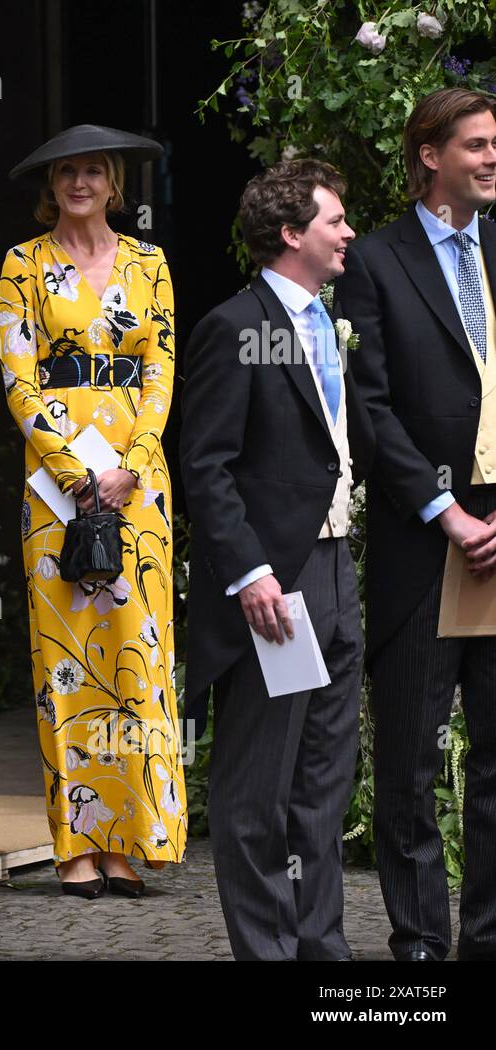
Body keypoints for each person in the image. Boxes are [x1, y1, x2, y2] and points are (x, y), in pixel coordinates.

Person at [181, 159, 374, 960]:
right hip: (277, 589)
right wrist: (251, 573)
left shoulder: (329, 321)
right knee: (258, 792)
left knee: (325, 787)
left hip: (335, 580)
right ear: (292, 232)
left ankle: (322, 955)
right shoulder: (234, 326)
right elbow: (207, 465)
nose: (349, 234)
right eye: (335, 220)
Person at [0, 125, 185, 899]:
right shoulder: (23, 264)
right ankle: (76, 843)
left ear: (115, 183)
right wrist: (78, 472)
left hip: (138, 489)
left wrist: (131, 466)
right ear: (53, 185)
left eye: (94, 171)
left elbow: (162, 367)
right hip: (56, 486)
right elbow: (16, 376)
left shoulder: (151, 263)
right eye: (67, 171)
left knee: (136, 660)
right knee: (66, 661)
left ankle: (128, 837)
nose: (80, 182)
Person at [336, 86, 496, 961]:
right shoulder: (376, 262)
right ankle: (421, 946)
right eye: (475, 145)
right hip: (424, 549)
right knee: (408, 768)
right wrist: (444, 512)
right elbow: (370, 407)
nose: (492, 157)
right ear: (430, 156)